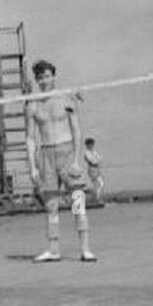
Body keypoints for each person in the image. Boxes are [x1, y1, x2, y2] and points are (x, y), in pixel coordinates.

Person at [26, 60, 96, 262]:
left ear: (53, 76)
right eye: (40, 78)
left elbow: (76, 130)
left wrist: (75, 159)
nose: (44, 81)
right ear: (37, 80)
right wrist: (32, 167)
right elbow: (30, 137)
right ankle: (54, 250)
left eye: (47, 76)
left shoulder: (66, 99)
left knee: (78, 202)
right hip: (46, 154)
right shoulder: (32, 104)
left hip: (66, 151)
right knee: (51, 206)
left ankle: (85, 249)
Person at [83, 137, 105, 202]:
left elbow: (100, 159)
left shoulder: (94, 152)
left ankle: (97, 197)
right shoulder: (87, 153)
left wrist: (97, 160)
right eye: (90, 144)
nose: (92, 145)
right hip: (92, 169)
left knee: (101, 183)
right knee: (97, 184)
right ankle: (96, 198)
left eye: (92, 144)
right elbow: (93, 161)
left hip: (97, 169)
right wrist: (97, 160)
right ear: (87, 145)